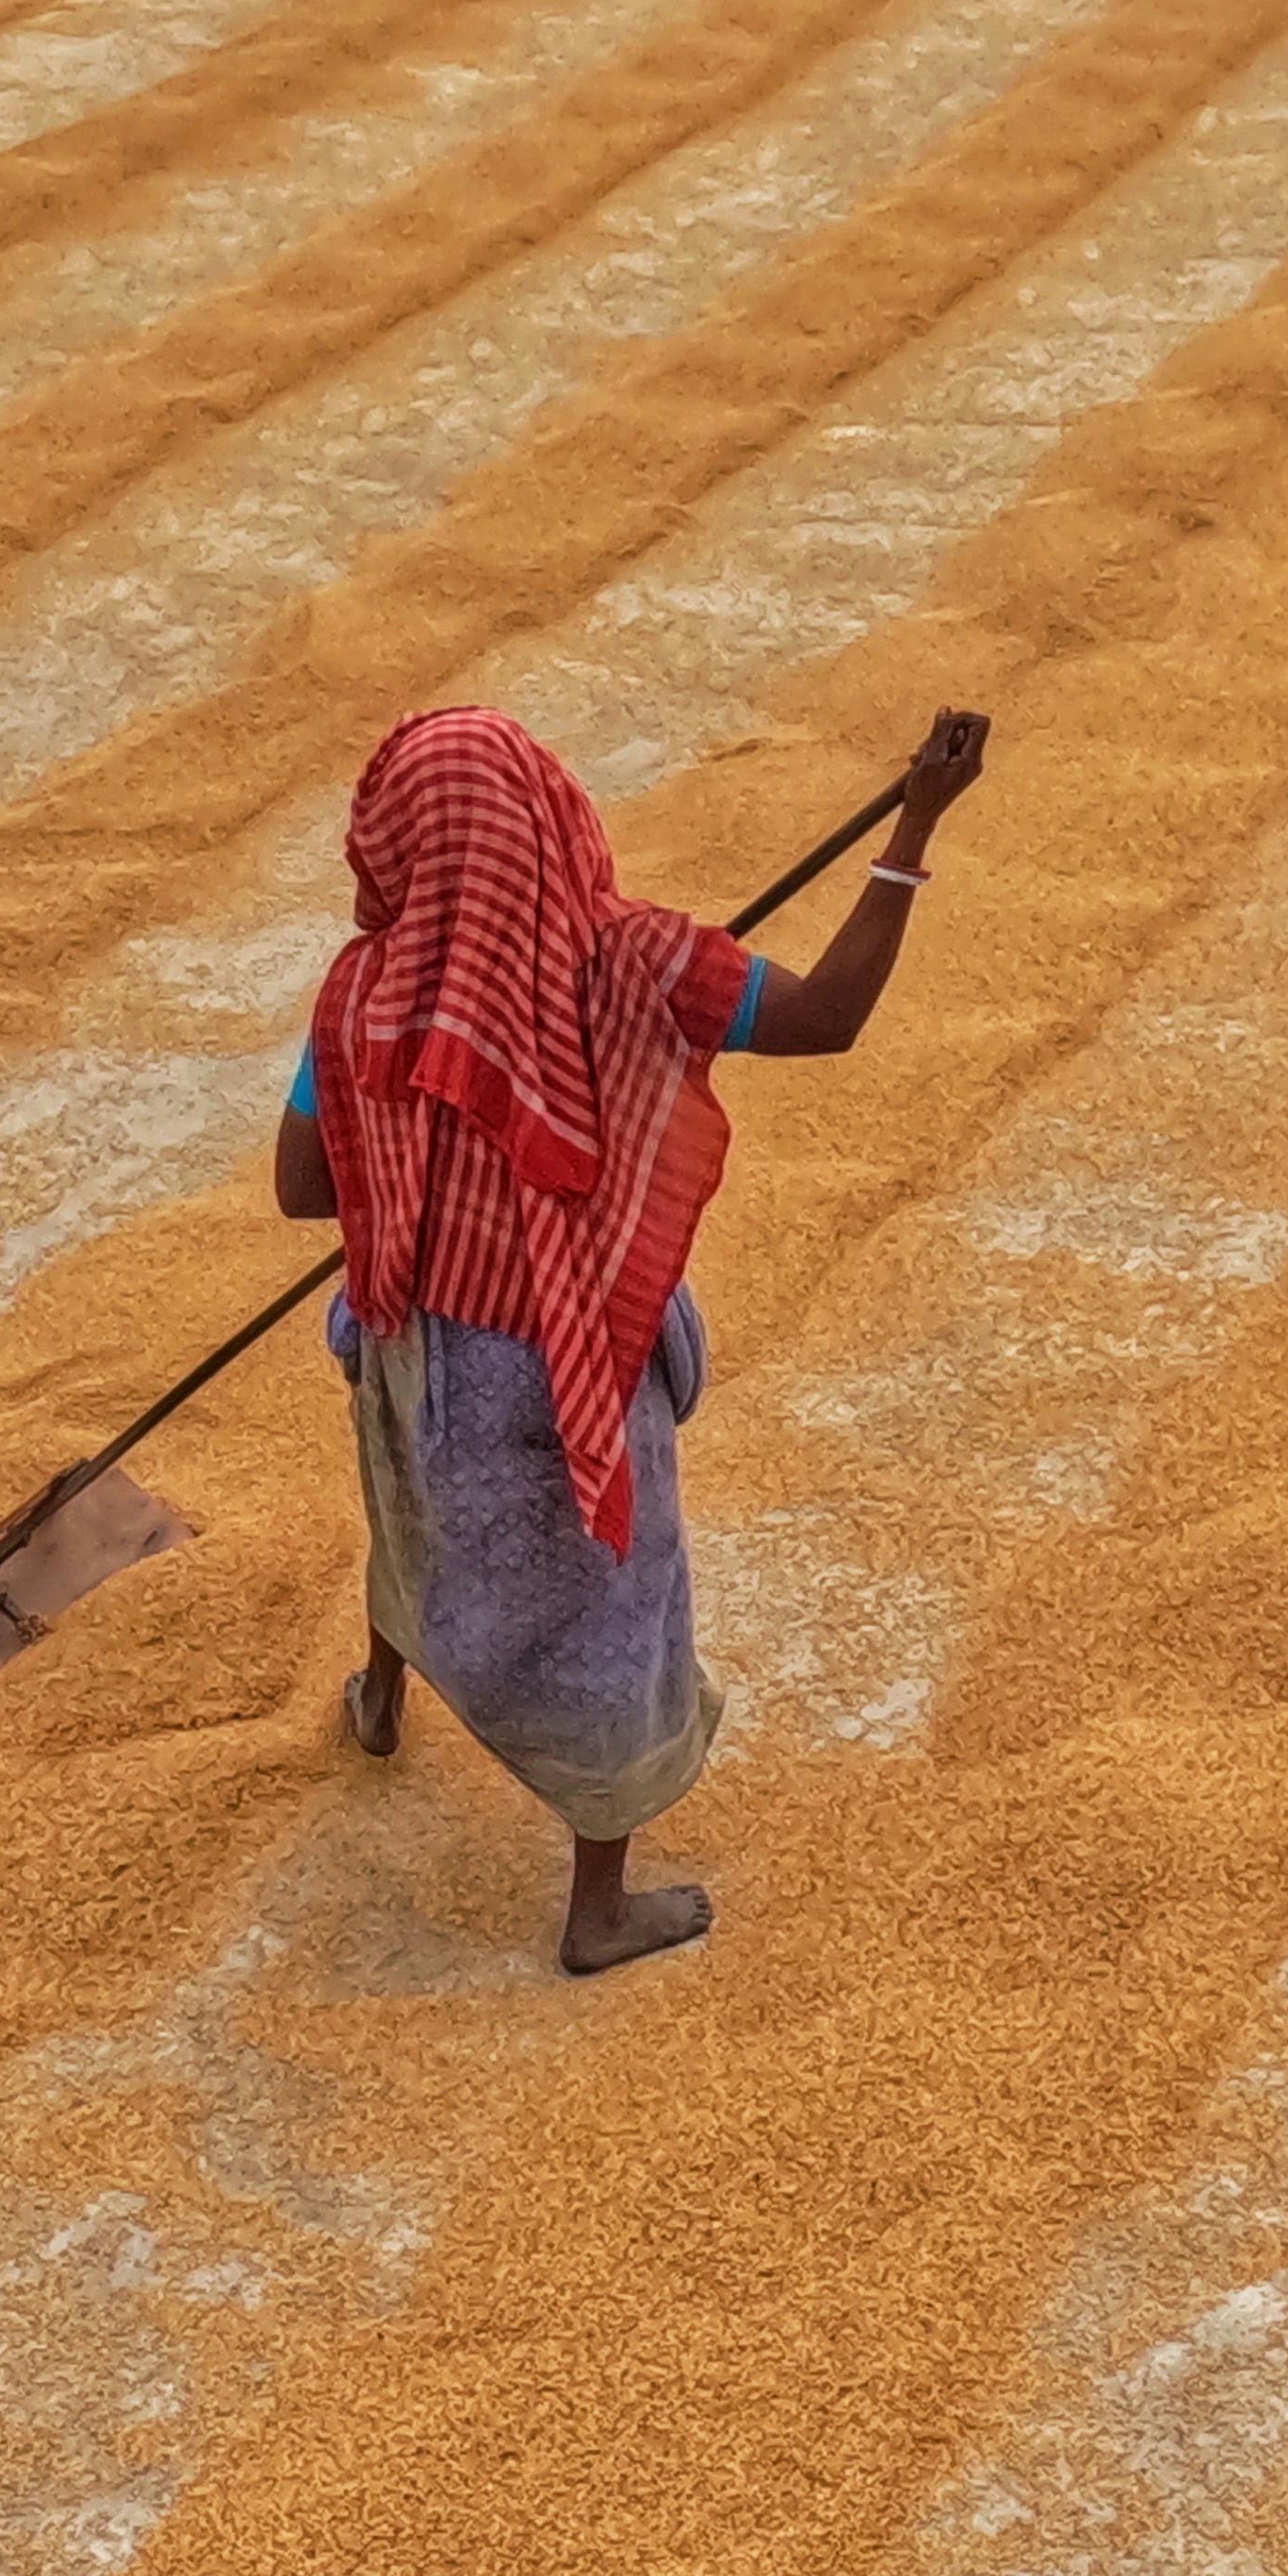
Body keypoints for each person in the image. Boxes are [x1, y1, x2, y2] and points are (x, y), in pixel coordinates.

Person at [272, 702, 987, 1973]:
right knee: (614, 1609)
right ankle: (596, 1912)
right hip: (566, 1368)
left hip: (411, 1346)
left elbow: (303, 1191)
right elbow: (825, 1016)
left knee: (411, 1513)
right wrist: (910, 832)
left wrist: (414, 1172)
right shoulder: (642, 965)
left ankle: (382, 1697)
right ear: (552, 816)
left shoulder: (360, 993)